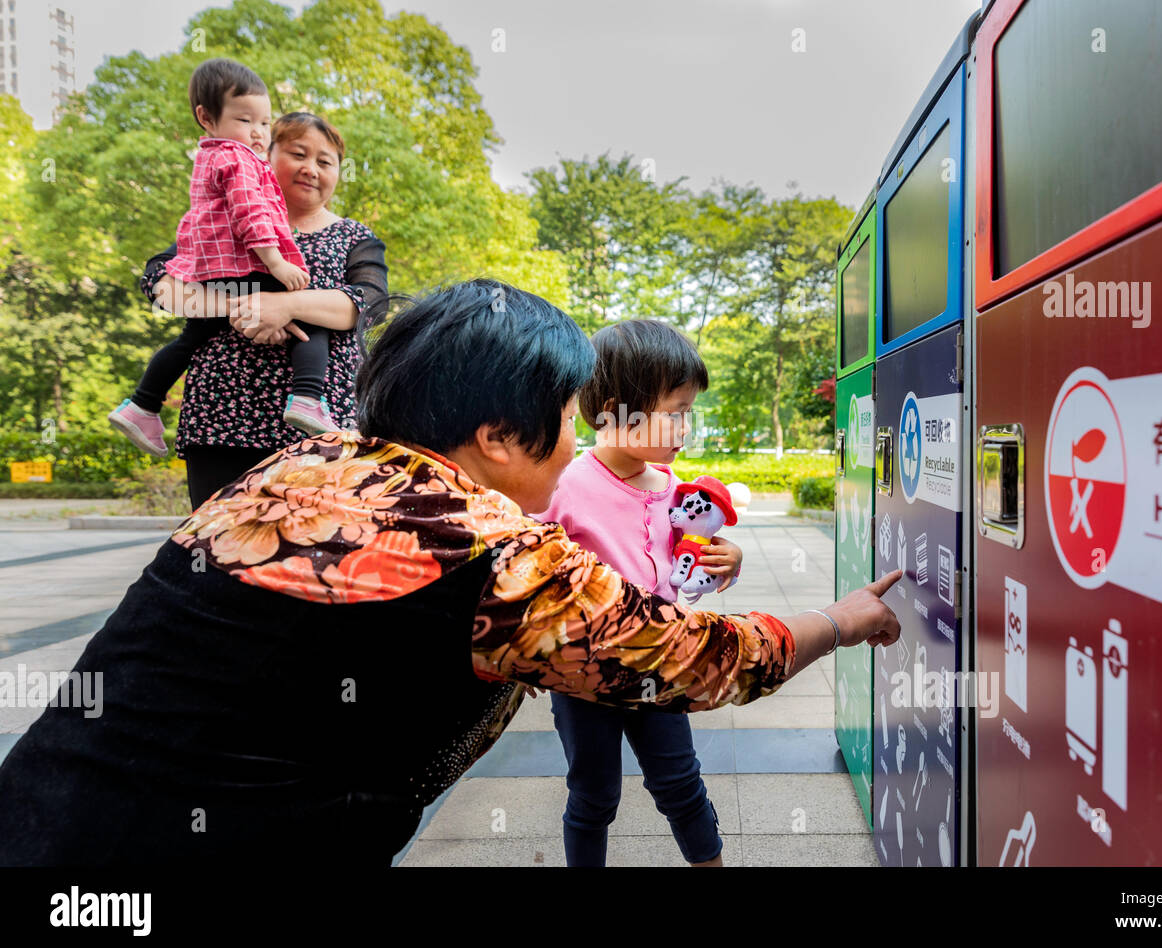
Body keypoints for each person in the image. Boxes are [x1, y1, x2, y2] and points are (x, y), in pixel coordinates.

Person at [0, 280, 902, 866]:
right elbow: (692, 659)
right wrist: (843, 620)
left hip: (41, 813)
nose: (574, 440)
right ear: (498, 439)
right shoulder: (485, 550)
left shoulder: (292, 470)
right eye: (562, 416)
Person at [531, 319, 741, 867]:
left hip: (660, 662)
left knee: (680, 782)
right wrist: (520, 656)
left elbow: (699, 558)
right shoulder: (567, 487)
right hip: (581, 675)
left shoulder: (676, 491)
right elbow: (521, 570)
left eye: (689, 412)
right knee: (593, 795)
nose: (685, 428)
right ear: (619, 410)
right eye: (676, 412)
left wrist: (728, 561)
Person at [139, 110, 387, 509]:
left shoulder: (354, 237)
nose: (311, 169)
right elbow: (160, 284)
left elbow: (369, 306)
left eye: (325, 162)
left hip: (320, 423)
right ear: (266, 156)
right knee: (216, 548)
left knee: (314, 551)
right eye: (298, 154)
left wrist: (282, 305)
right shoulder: (220, 222)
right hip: (221, 419)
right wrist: (245, 310)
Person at [109, 58, 335, 456]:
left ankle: (142, 404)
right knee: (313, 322)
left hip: (214, 274)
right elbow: (251, 214)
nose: (258, 133)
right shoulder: (237, 159)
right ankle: (307, 397)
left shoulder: (210, 157)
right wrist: (277, 263)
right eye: (245, 120)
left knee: (191, 338)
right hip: (248, 268)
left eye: (264, 123)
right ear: (206, 117)